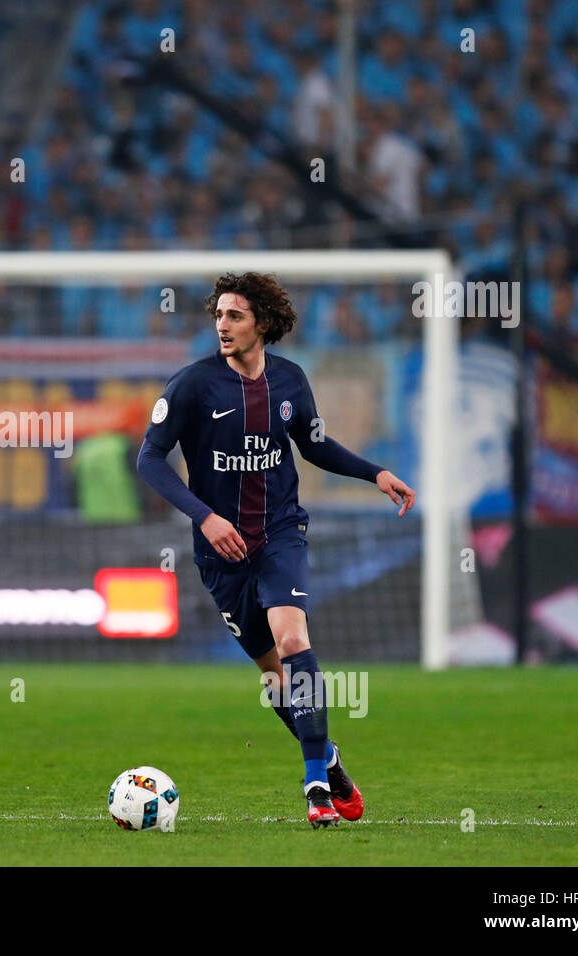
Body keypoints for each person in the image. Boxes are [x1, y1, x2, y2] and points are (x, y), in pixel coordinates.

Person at [137, 272, 415, 827]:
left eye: (234, 316)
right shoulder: (192, 385)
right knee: (275, 679)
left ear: (261, 323)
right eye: (218, 314)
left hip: (280, 534)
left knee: (294, 639)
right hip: (221, 554)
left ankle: (314, 787)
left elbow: (314, 445)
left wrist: (374, 472)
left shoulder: (289, 381)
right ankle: (329, 759)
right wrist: (206, 516)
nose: (222, 324)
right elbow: (149, 460)